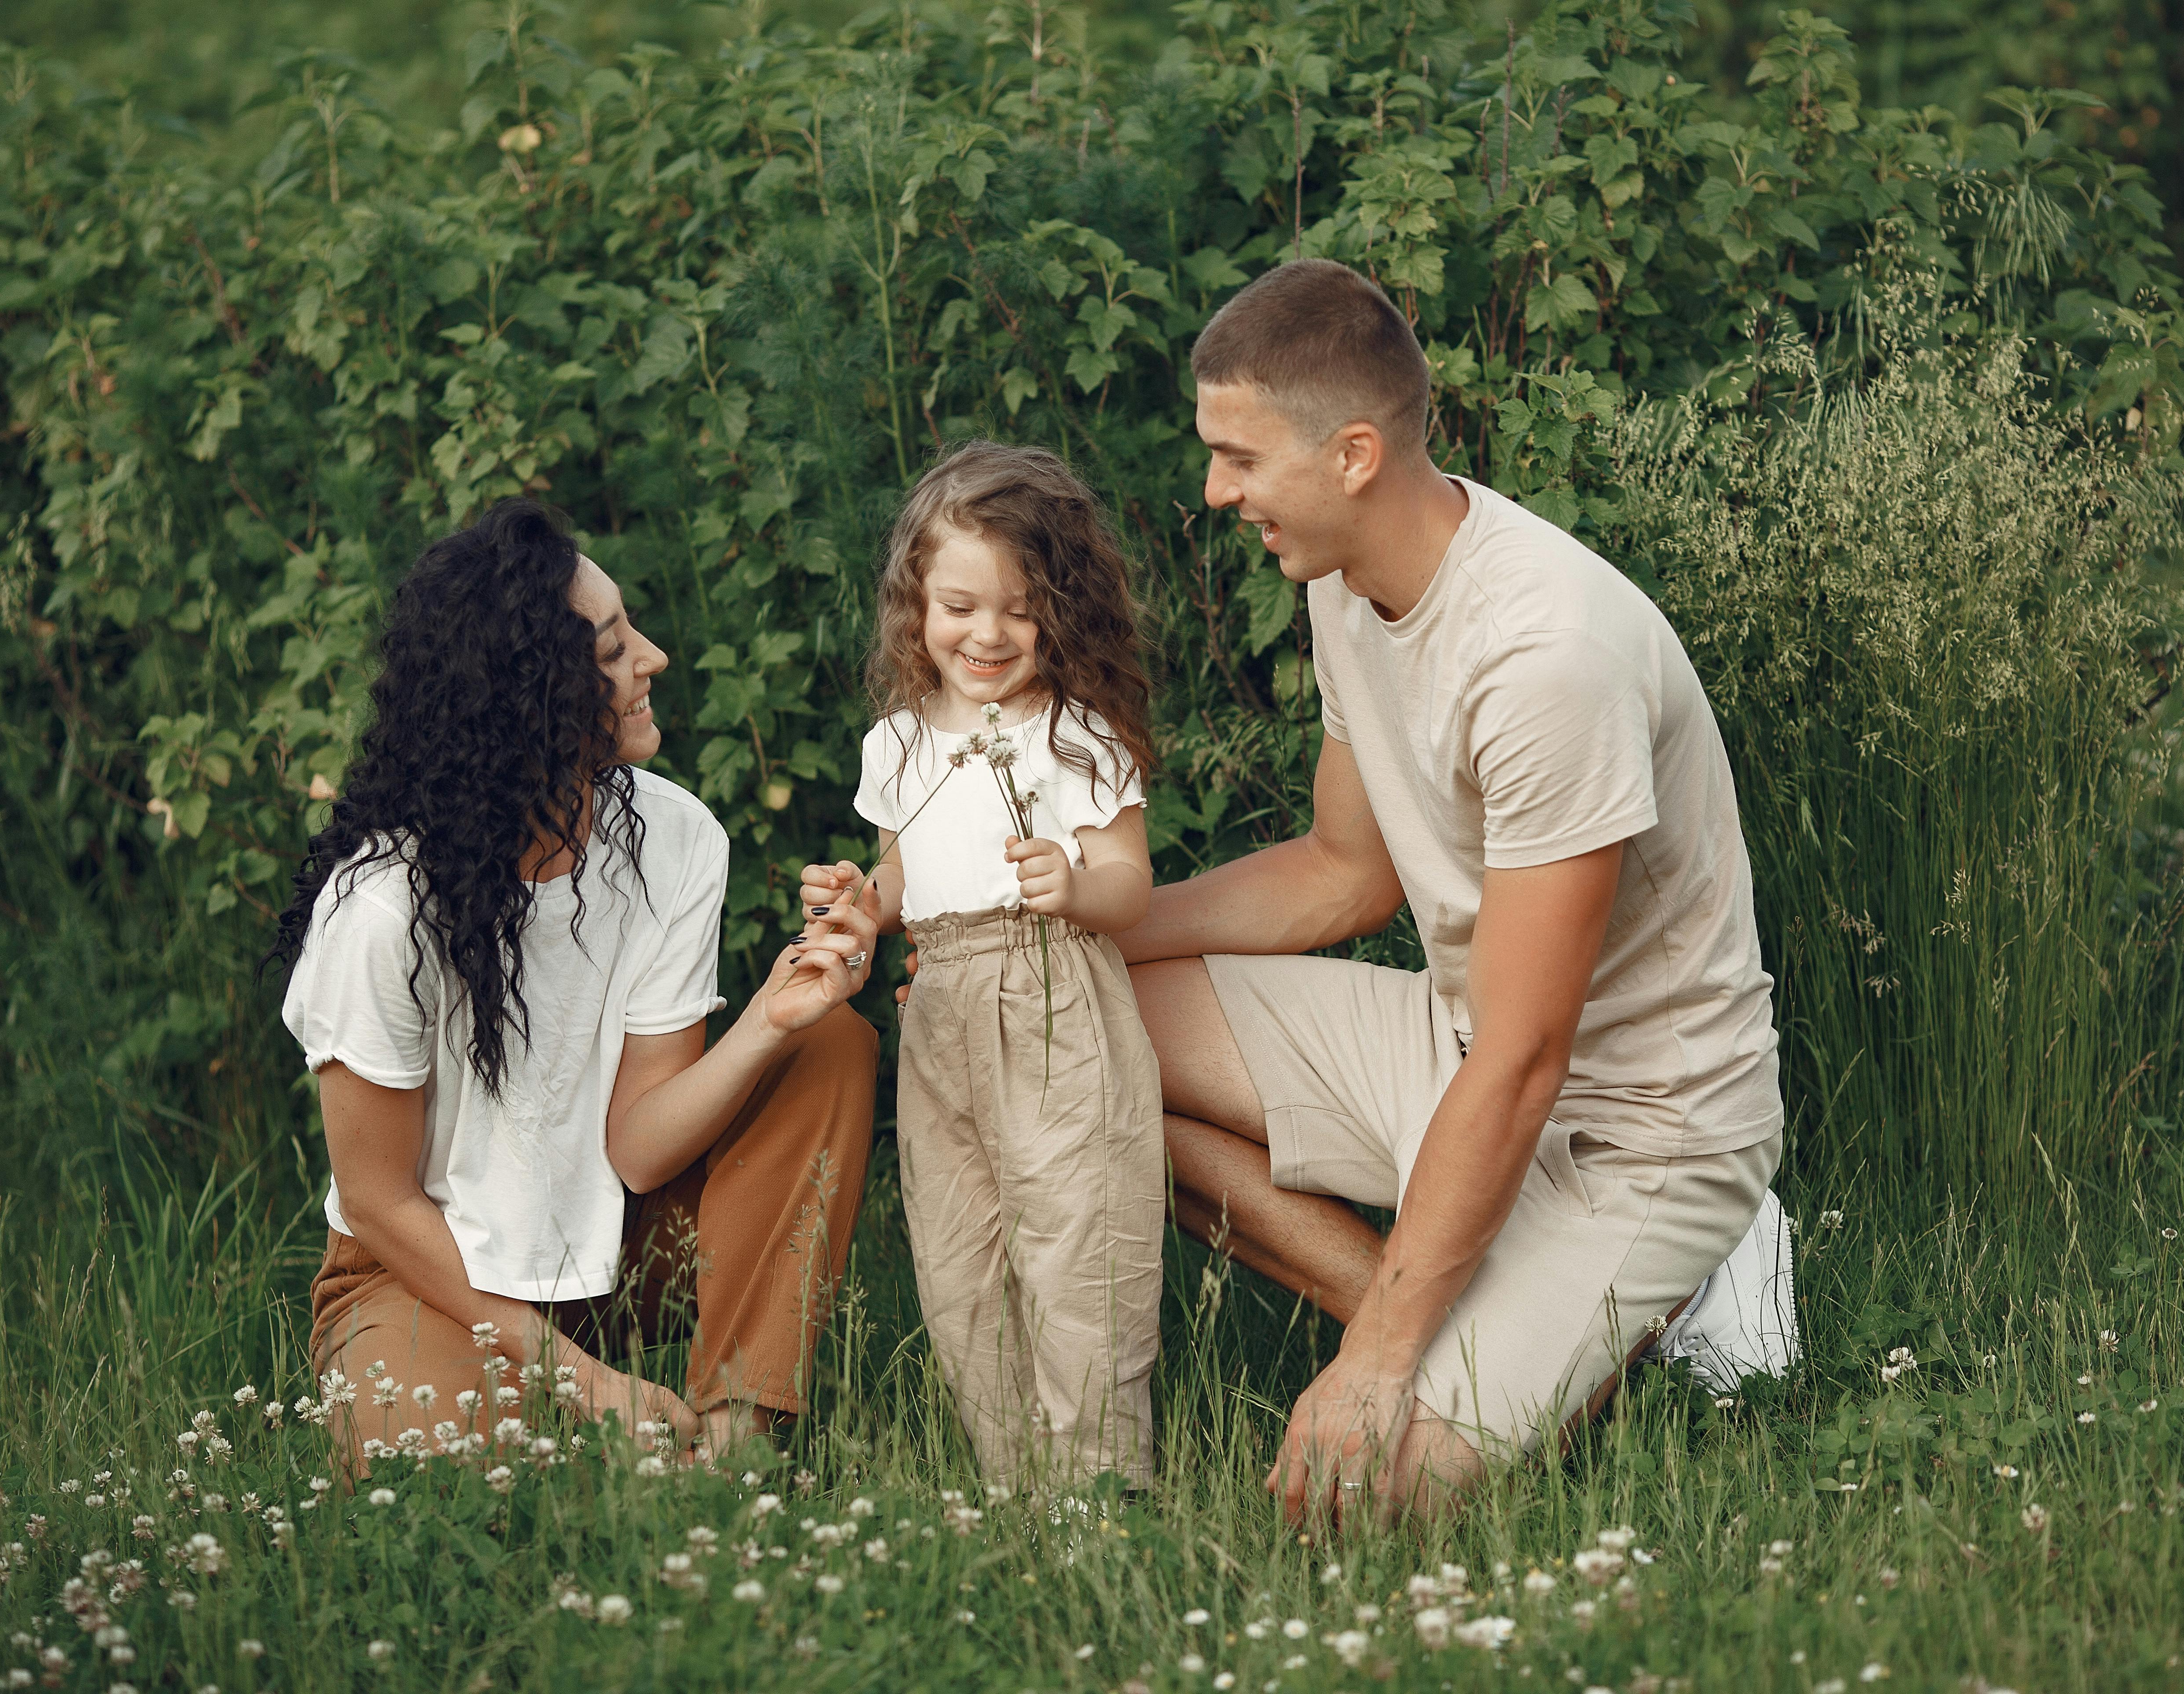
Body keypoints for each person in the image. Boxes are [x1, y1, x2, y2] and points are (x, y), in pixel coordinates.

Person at [1119, 260, 1786, 1520]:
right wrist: (1076, 931)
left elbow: (1534, 1059)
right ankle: (1467, 1311)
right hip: (1464, 1047)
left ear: (1356, 454)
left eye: (1239, 458)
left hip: (1640, 1129)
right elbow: (1340, 876)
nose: (1216, 492)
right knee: (1065, 1030)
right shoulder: (1340, 579)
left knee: (1379, 1503)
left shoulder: (1547, 661)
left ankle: (1660, 1289)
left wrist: (1370, 1373)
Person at [271, 498, 882, 1472]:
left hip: (619, 1245)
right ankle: (560, 1410)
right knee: (445, 1482)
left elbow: (640, 1151)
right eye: (611, 651)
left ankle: (730, 1449)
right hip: (429, 1277)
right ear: (525, 696)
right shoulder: (383, 910)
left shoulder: (675, 838)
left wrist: (770, 1019)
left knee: (828, 1044)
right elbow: (381, 1205)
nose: (653, 659)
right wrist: (578, 1377)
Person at [800, 441, 1166, 1488]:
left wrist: (1074, 883)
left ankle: (1099, 1482)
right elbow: (904, 874)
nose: (989, 635)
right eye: (959, 606)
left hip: (1058, 994)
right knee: (961, 1253)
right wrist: (859, 912)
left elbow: (1130, 883)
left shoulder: (1078, 736)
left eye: (1021, 608)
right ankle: (1016, 1480)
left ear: (1066, 610)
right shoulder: (900, 743)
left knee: (1077, 1239)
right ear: (916, 603)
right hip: (944, 1015)